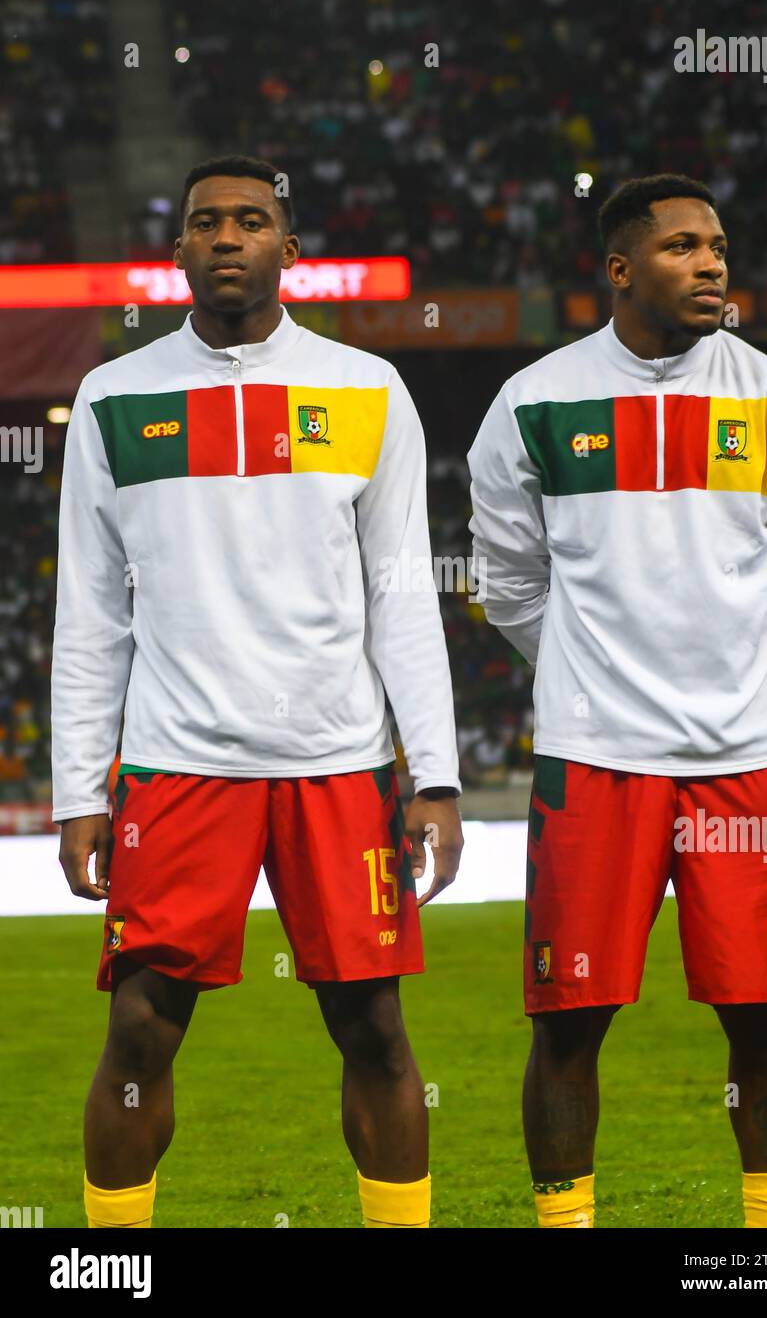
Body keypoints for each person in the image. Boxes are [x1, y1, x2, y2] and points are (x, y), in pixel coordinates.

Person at [52, 153, 463, 1230]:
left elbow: (403, 596)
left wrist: (438, 776)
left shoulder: (366, 390)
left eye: (250, 220)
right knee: (139, 1031)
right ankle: (112, 1260)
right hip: (180, 765)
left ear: (290, 247)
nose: (226, 236)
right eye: (205, 222)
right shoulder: (113, 397)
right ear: (176, 250)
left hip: (339, 764)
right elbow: (90, 613)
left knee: (373, 1028)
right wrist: (77, 791)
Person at [467, 173, 767, 1229]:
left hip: (743, 764)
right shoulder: (533, 402)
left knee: (763, 1020)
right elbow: (505, 580)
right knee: (568, 1023)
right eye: (682, 246)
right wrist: (590, 679)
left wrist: (742, 675)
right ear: (621, 268)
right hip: (593, 768)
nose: (712, 263)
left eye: (718, 244)